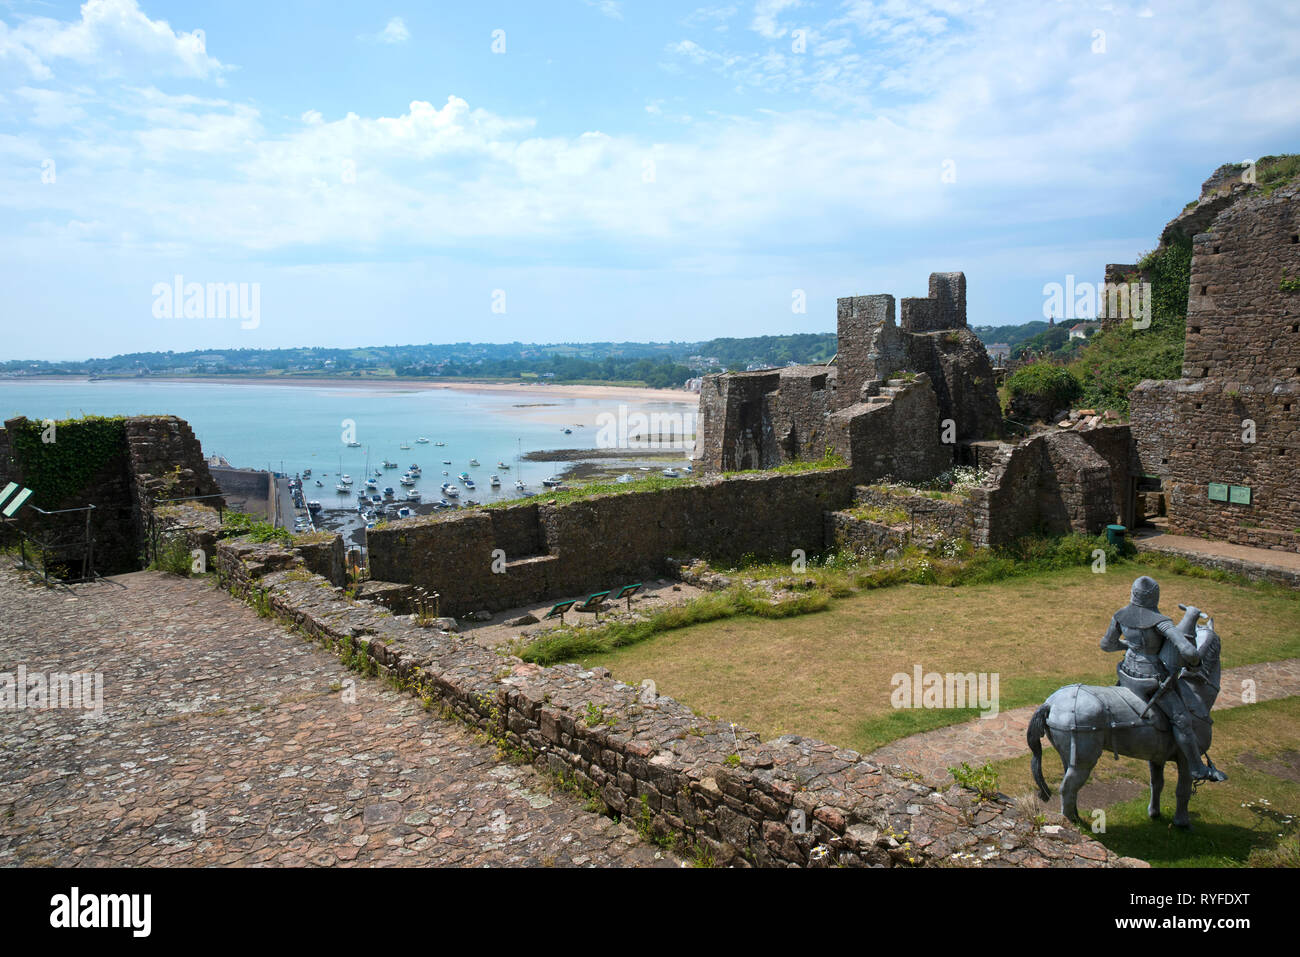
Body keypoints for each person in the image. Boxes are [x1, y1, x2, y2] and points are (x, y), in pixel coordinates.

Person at [1101, 575, 1227, 782]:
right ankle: (1196, 767)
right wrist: (1195, 664)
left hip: (1126, 673)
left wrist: (1131, 646)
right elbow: (1187, 650)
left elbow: (1107, 645)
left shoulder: (1120, 616)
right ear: (1154, 597)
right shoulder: (1162, 623)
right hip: (1151, 680)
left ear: (1133, 593)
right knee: (1183, 720)